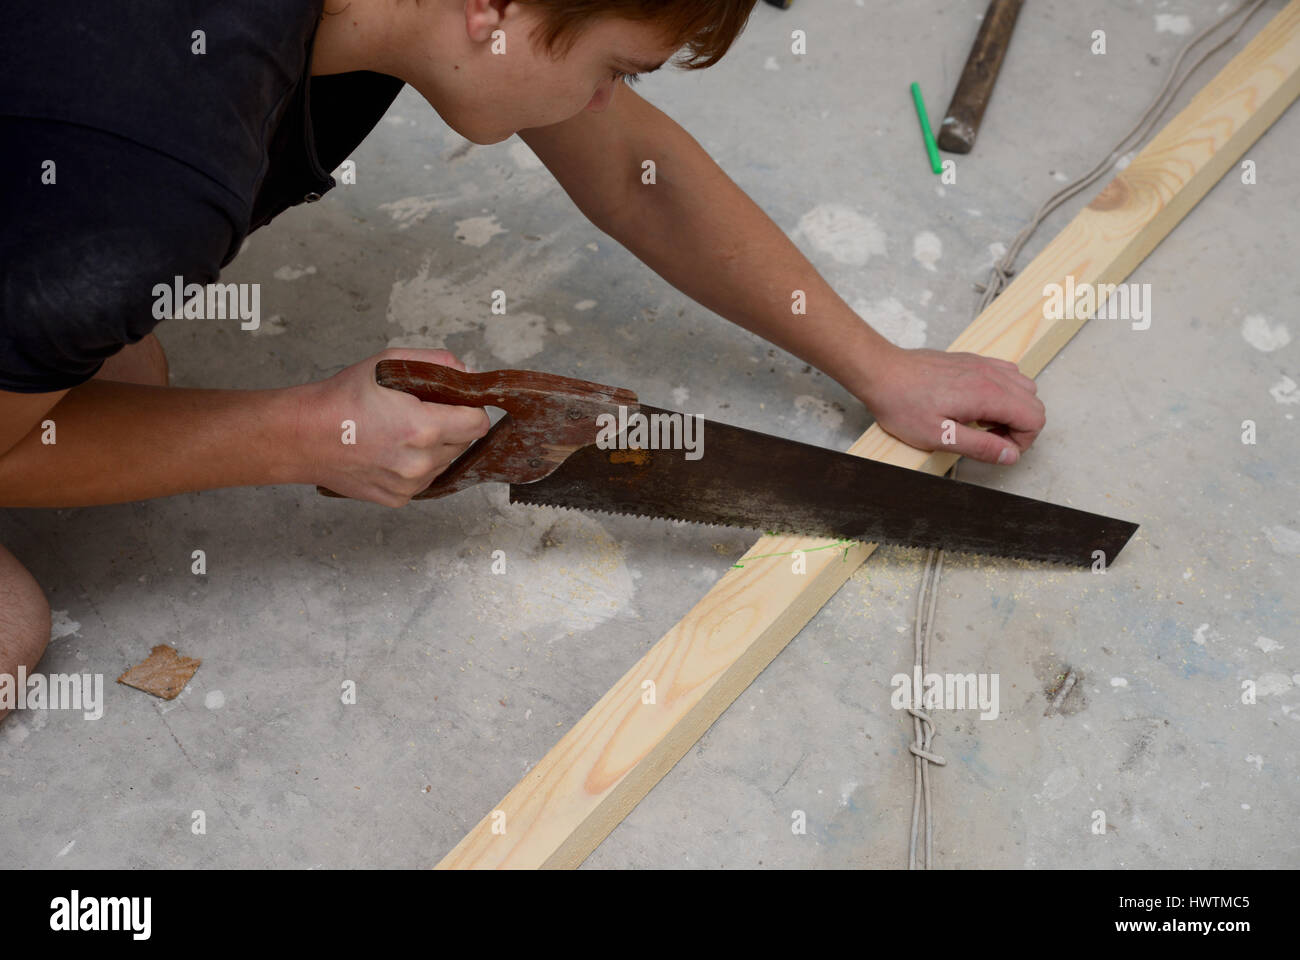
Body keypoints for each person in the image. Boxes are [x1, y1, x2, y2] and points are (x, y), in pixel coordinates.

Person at [0, 0, 1044, 719]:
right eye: (613, 72)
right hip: (95, 181)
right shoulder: (142, 187)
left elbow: (636, 171)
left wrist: (879, 365)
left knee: (122, 373)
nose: (604, 104)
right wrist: (304, 434)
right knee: (12, 633)